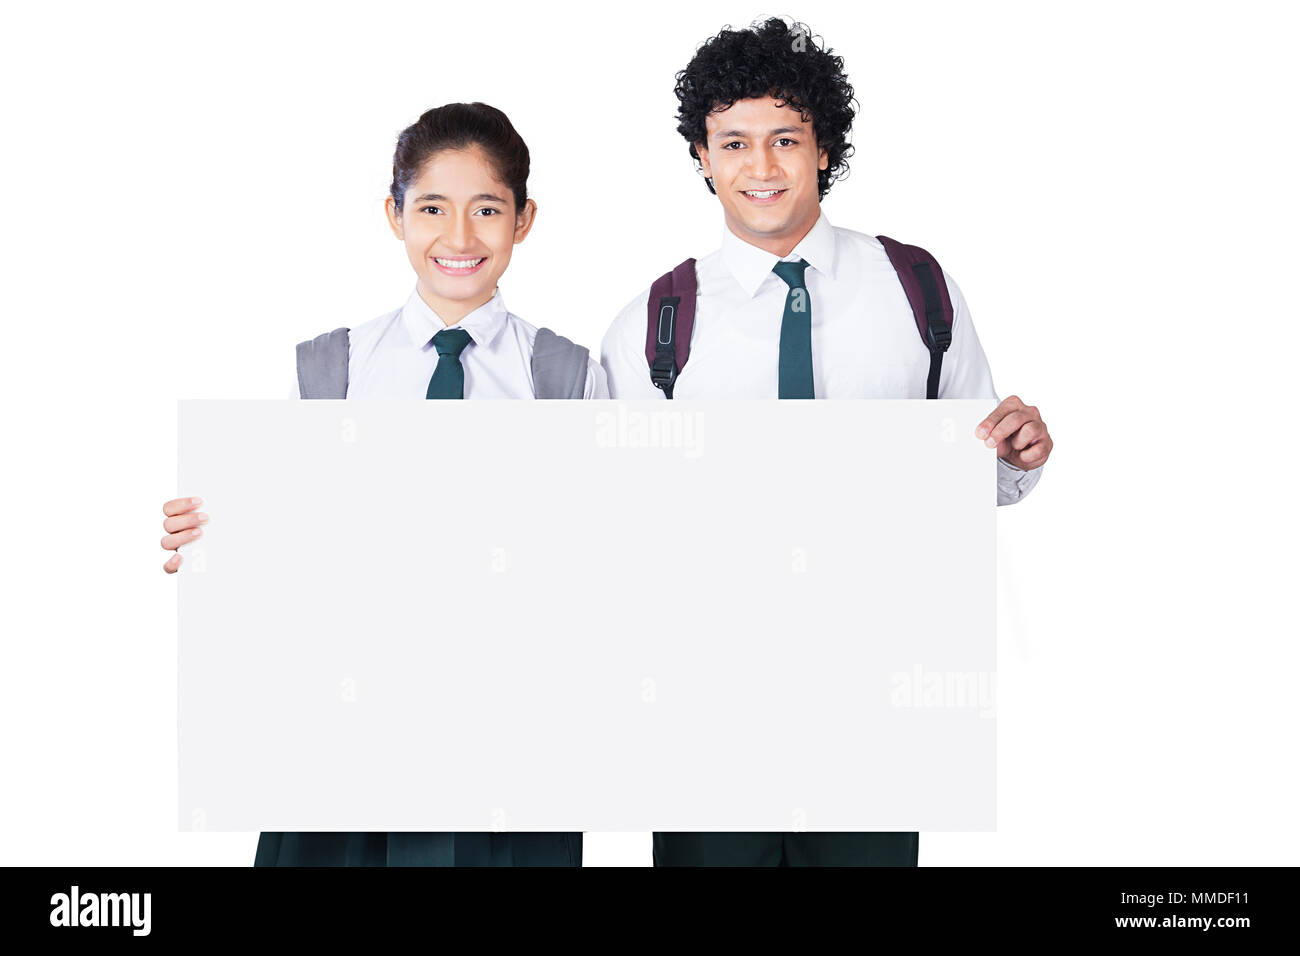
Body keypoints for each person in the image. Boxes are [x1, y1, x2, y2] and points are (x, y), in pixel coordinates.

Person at [599, 17, 1055, 866]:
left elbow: (978, 465)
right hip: (709, 712)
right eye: (734, 141)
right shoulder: (653, 324)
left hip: (875, 700)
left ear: (824, 148)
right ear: (702, 154)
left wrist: (1015, 455)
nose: (760, 167)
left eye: (785, 138)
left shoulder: (917, 287)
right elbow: (609, 522)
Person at [161, 102, 606, 866]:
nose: (459, 237)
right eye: (432, 207)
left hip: (501, 739)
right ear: (395, 215)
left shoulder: (565, 376)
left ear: (523, 220)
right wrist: (208, 541)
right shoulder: (331, 367)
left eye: (487, 210)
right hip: (340, 732)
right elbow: (288, 537)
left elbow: (601, 554)